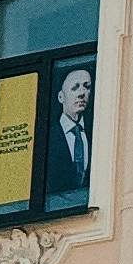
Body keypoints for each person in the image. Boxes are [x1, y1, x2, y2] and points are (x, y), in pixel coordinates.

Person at [53, 61, 95, 198]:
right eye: (75, 88)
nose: (82, 93)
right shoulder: (49, 135)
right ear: (61, 97)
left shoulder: (96, 132)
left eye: (86, 87)